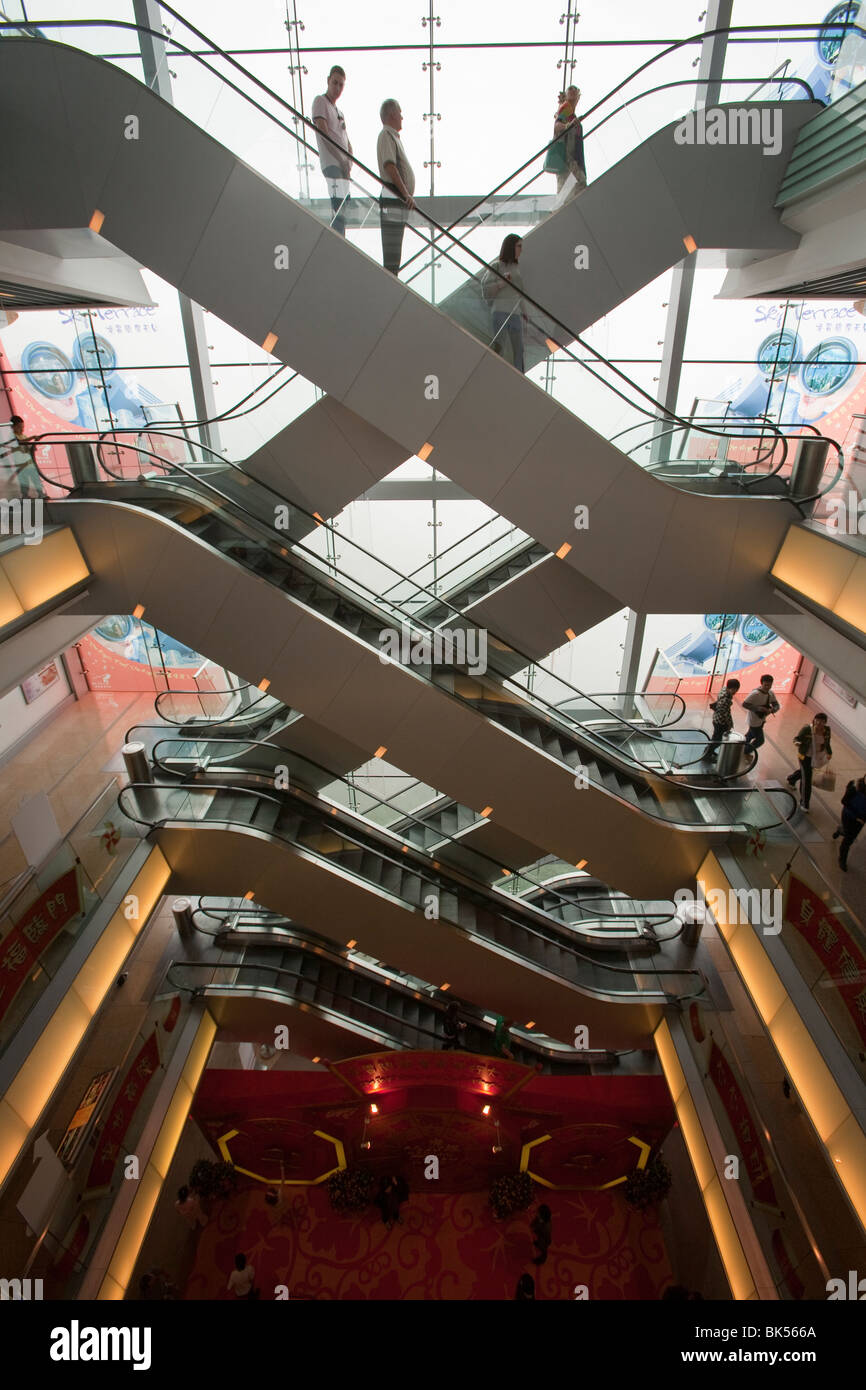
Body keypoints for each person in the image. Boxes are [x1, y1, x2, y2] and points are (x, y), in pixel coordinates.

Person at [311, 65, 353, 237]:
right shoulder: (320, 101)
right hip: (332, 164)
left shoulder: (339, 111)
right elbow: (324, 134)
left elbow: (346, 139)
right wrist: (341, 160)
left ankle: (340, 239)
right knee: (338, 205)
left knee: (345, 205)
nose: (337, 88)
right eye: (335, 83)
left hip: (343, 167)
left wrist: (349, 160)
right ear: (328, 81)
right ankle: (337, 241)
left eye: (341, 85)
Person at [376, 99, 415, 275]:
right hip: (393, 198)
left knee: (395, 254)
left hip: (397, 200)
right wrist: (406, 194)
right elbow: (390, 166)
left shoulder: (393, 137)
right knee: (392, 255)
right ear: (392, 114)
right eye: (400, 113)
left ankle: (392, 279)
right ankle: (390, 282)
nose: (402, 117)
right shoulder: (386, 135)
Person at [481, 235, 527, 374]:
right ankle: (497, 373)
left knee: (518, 348)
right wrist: (501, 283)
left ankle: (519, 375)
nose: (521, 250)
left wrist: (524, 312)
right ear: (511, 247)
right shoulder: (497, 265)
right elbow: (485, 289)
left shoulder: (516, 268)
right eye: (519, 246)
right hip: (500, 311)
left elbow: (520, 293)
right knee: (500, 346)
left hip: (515, 312)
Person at [786, 712, 831, 811]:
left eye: (822, 721)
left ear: (825, 723)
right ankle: (804, 803)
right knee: (807, 779)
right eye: (817, 720)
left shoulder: (827, 731)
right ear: (814, 720)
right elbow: (796, 738)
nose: (819, 723)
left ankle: (791, 779)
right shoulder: (807, 729)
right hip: (804, 756)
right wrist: (797, 743)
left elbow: (827, 743)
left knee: (805, 772)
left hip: (816, 758)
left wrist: (829, 753)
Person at [554, 85, 587, 200]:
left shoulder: (570, 112)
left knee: (569, 194)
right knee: (578, 188)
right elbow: (557, 126)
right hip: (569, 161)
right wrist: (568, 125)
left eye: (575, 89)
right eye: (570, 89)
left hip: (573, 162)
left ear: (579, 96)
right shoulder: (566, 108)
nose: (572, 90)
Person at [1, 414, 42, 498]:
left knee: (35, 479)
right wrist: (32, 437)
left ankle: (41, 494)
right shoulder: (12, 437)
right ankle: (25, 496)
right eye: (19, 427)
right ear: (12, 427)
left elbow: (28, 447)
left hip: (28, 463)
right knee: (24, 481)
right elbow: (19, 442)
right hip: (20, 464)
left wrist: (33, 445)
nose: (22, 429)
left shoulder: (23, 436)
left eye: (23, 427)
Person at [742, 674, 780, 756]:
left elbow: (776, 705)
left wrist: (771, 710)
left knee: (749, 736)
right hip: (753, 721)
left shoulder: (770, 693)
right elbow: (744, 704)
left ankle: (739, 748)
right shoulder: (755, 694)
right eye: (765, 685)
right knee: (760, 740)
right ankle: (745, 751)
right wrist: (758, 709)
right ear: (761, 683)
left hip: (761, 720)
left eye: (769, 685)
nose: (767, 687)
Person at [833, 776, 866, 871]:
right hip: (849, 816)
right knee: (848, 840)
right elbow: (844, 801)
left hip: (860, 821)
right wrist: (857, 817)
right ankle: (842, 860)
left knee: (849, 838)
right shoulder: (854, 787)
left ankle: (840, 830)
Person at [706, 677, 741, 760]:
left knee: (715, 738)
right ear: (729, 688)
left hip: (716, 719)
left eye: (736, 689)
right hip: (721, 722)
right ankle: (707, 755)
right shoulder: (726, 699)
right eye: (734, 689)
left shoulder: (724, 689)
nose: (735, 692)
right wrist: (729, 724)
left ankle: (709, 751)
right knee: (718, 740)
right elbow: (726, 714)